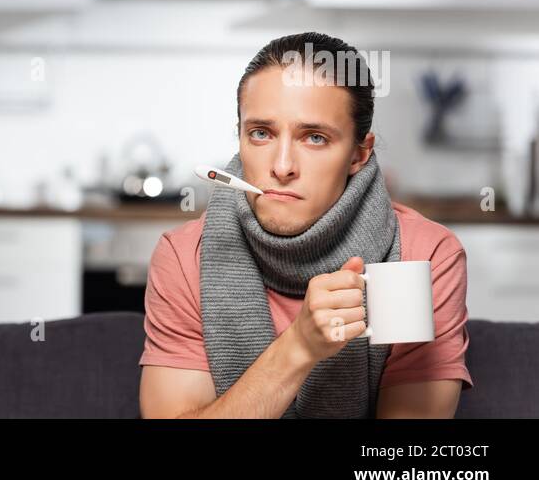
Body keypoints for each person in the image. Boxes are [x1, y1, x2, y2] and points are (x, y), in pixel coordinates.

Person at [138, 32, 471, 419]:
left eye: (314, 138)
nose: (281, 167)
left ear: (359, 154)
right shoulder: (183, 258)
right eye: (261, 133)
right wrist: (298, 348)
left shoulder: (422, 257)